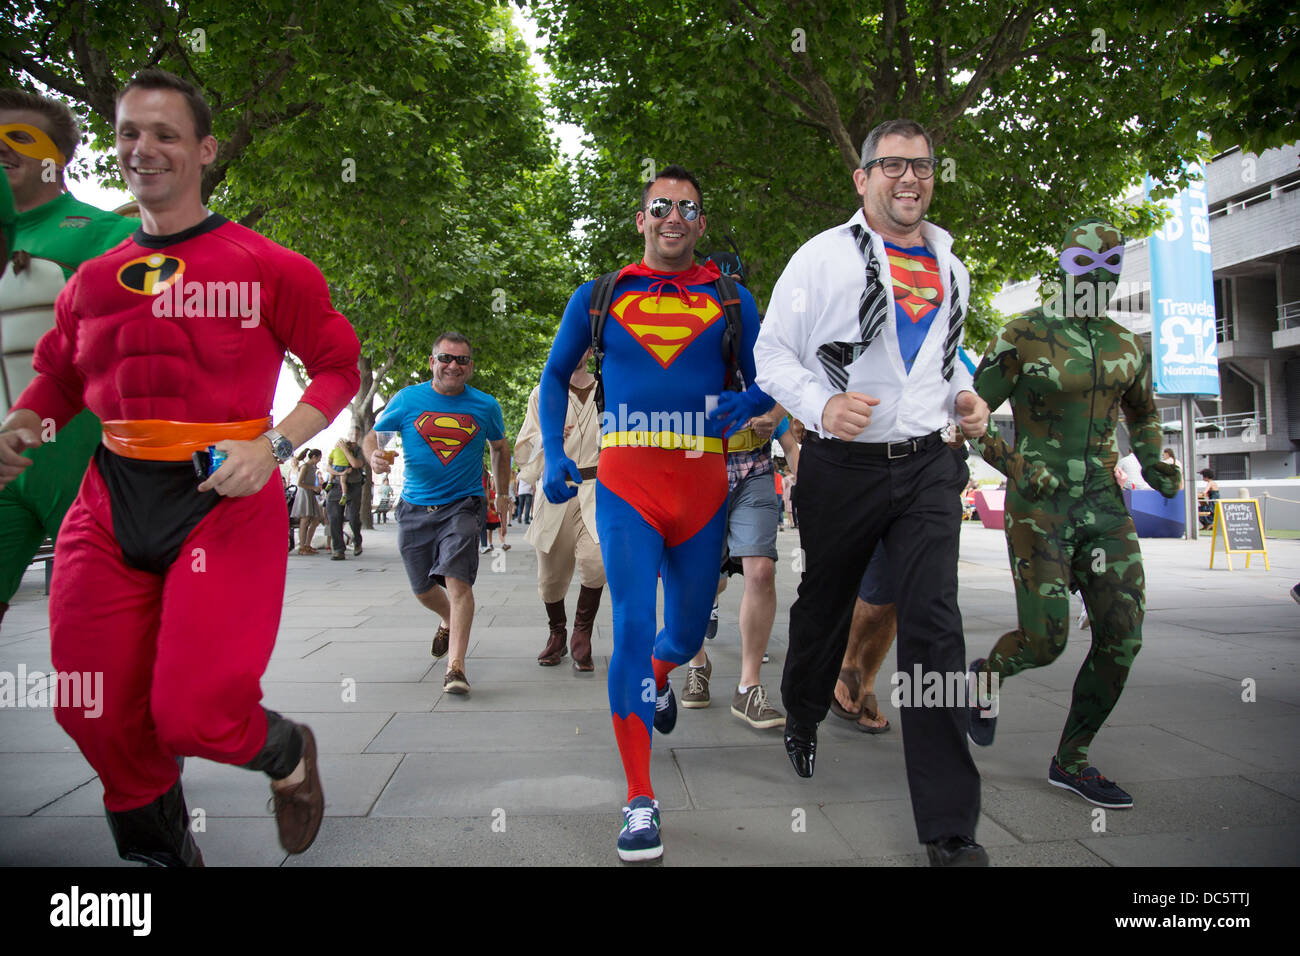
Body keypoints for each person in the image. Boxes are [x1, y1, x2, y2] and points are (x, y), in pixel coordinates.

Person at [0, 70, 359, 865]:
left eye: (164, 133)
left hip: (224, 498)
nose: (144, 148)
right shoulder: (90, 279)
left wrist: (275, 443)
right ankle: (162, 857)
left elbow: (338, 365)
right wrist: (26, 420)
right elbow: (60, 377)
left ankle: (288, 752)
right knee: (89, 708)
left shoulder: (270, 266)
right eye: (130, 132)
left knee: (195, 714)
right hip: (111, 497)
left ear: (202, 149)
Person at [754, 119, 990, 867]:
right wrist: (820, 407)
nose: (908, 178)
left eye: (920, 167)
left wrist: (968, 399)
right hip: (841, 465)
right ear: (863, 179)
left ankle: (950, 826)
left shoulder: (952, 265)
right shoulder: (822, 258)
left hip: (927, 466)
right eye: (891, 166)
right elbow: (771, 353)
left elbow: (945, 363)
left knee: (935, 628)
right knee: (824, 603)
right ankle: (802, 710)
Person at [538, 164, 772, 862]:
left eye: (689, 208)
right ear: (641, 219)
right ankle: (640, 798)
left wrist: (753, 403)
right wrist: (553, 453)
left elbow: (774, 379)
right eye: (661, 206)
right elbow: (555, 374)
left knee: (684, 630)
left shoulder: (733, 300)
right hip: (626, 486)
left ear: (701, 223)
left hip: (705, 487)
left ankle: (661, 679)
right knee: (635, 628)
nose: (674, 216)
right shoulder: (599, 295)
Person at [971, 218, 1181, 811]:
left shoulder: (1125, 342)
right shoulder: (1023, 334)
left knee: (1123, 634)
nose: (1096, 278)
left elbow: (1142, 411)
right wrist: (1017, 467)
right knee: (1046, 642)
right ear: (1062, 264)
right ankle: (985, 674)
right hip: (1039, 507)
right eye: (1084, 265)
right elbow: (971, 419)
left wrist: (1153, 457)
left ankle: (1072, 760)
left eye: (1110, 267)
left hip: (1104, 506)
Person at [0, 90, 138, 628]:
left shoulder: (111, 233)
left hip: (86, 464)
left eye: (19, 138)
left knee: (104, 632)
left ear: (56, 159)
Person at [365, 331, 509, 696]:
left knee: (459, 581)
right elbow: (374, 436)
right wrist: (373, 456)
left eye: (461, 360)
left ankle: (455, 667)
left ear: (471, 367)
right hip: (414, 506)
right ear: (432, 362)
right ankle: (446, 618)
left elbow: (500, 449)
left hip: (463, 504)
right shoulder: (408, 399)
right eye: (446, 358)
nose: (453, 366)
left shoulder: (485, 406)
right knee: (422, 588)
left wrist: (503, 494)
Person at [681, 406, 799, 729]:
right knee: (702, 581)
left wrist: (774, 417)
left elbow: (789, 440)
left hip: (754, 471)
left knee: (761, 571)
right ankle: (697, 664)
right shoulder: (699, 359)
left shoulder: (761, 366)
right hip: (699, 469)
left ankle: (748, 685)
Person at [514, 348, 605, 672]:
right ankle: (557, 633)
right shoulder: (544, 392)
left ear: (592, 350)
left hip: (598, 488)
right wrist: (548, 438)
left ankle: (582, 634)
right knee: (550, 576)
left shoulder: (606, 387)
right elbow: (524, 445)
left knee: (597, 562)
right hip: (557, 487)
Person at [290, 448, 324, 554]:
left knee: (315, 520)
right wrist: (312, 487)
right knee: (304, 520)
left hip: (310, 493)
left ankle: (307, 544)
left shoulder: (312, 467)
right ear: (314, 457)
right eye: (319, 458)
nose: (319, 460)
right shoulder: (305, 467)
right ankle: (302, 546)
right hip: (304, 494)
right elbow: (299, 483)